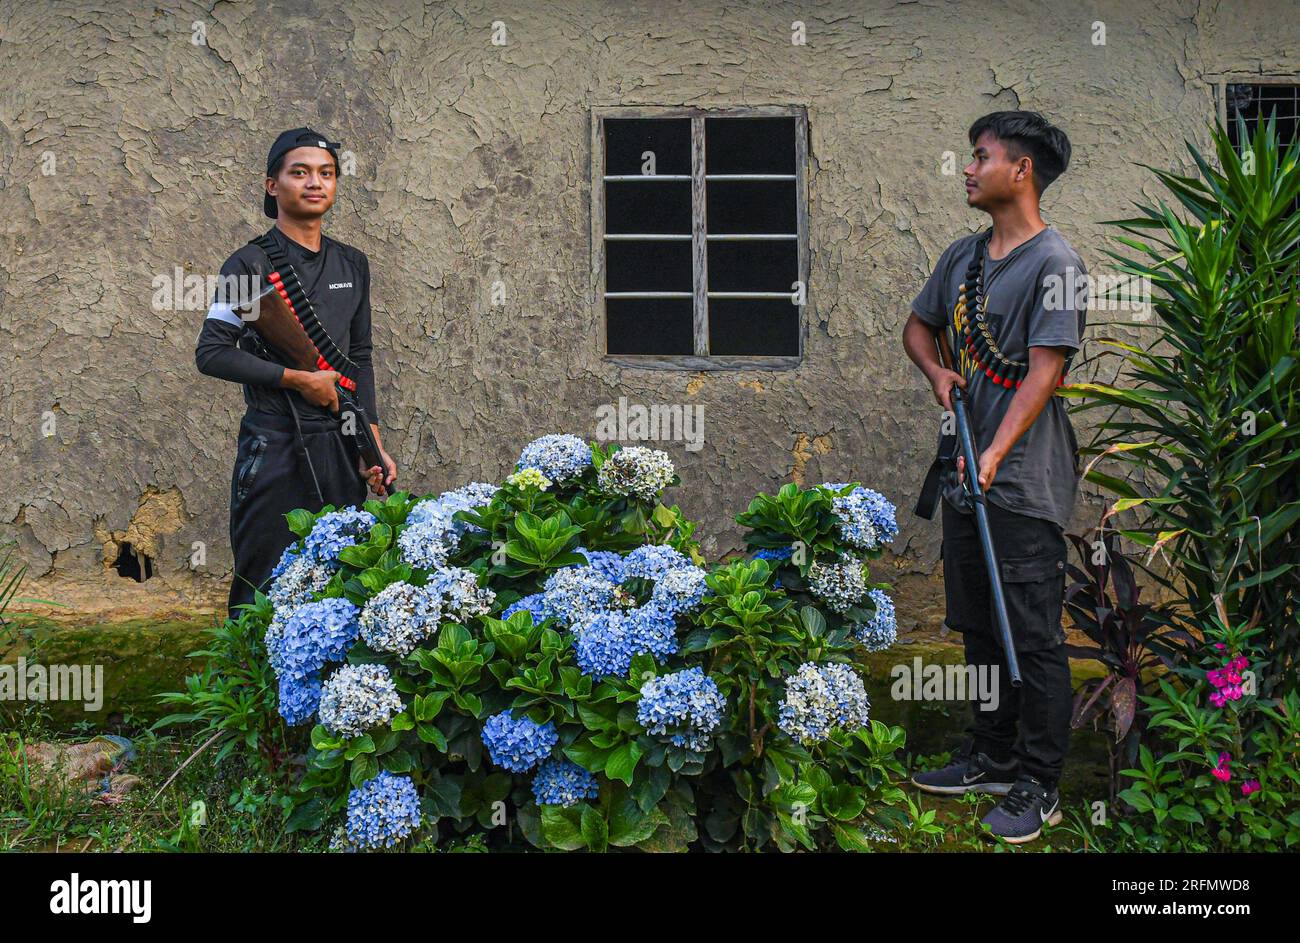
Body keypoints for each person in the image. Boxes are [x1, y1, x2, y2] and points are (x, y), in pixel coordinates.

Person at [902, 111, 1087, 843]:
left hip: (1021, 479)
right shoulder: (962, 258)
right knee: (978, 626)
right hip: (965, 474)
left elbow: (1045, 369)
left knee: (1032, 633)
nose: (967, 169)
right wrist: (938, 372)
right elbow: (917, 328)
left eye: (979, 157)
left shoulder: (1055, 263)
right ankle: (993, 755)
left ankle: (1042, 784)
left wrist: (994, 451)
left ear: (1022, 170)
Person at [196, 127, 397, 618]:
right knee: (261, 583)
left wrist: (370, 438)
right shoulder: (249, 264)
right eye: (299, 172)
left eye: (326, 173)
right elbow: (213, 353)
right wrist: (296, 379)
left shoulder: (354, 263)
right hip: (274, 444)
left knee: (342, 580)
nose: (315, 183)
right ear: (272, 185)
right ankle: (251, 685)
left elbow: (361, 356)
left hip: (339, 436)